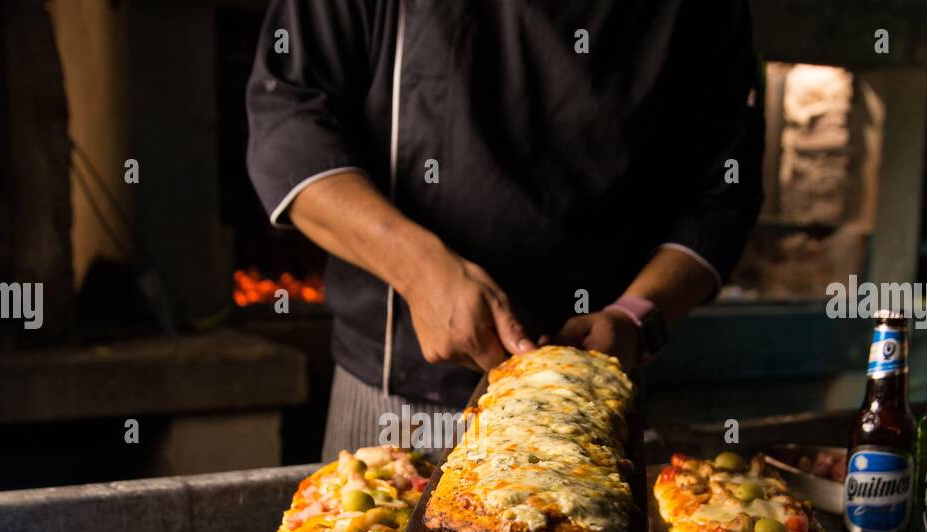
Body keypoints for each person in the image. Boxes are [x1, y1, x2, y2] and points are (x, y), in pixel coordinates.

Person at [245, 0, 764, 457]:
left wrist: (636, 316)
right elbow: (285, 119)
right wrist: (417, 268)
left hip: (591, 394)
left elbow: (723, 189)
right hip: (395, 403)